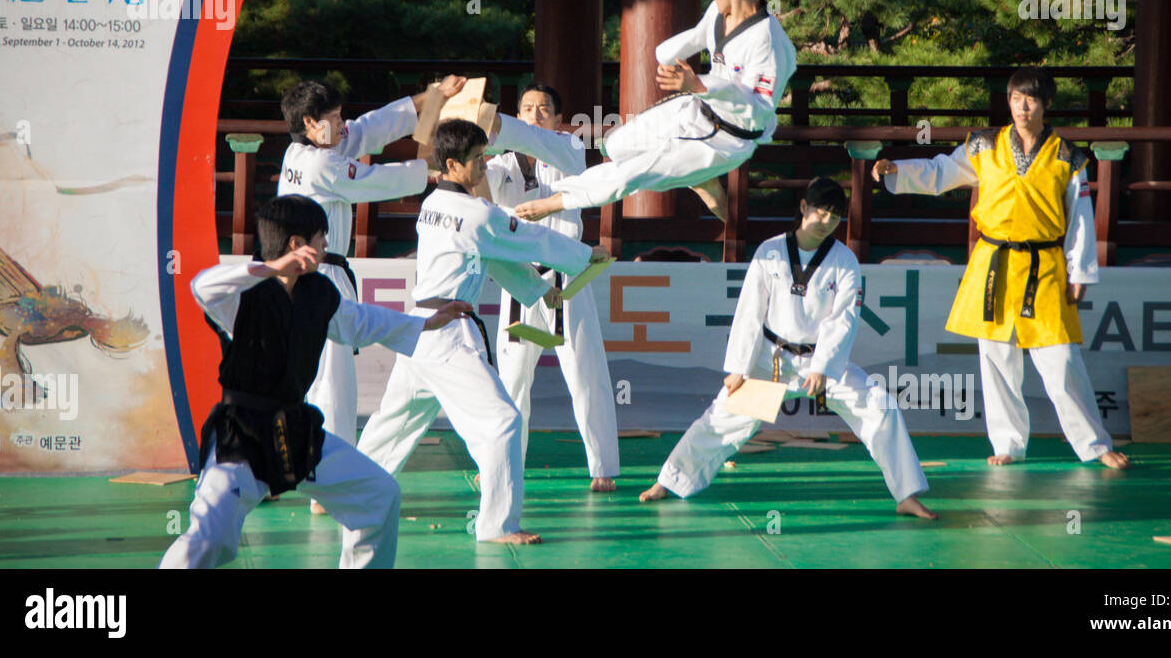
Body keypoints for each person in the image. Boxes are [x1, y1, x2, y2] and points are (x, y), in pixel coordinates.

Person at [159, 195, 471, 569]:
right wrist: (272, 268)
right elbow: (201, 286)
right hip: (240, 436)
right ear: (297, 245)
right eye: (322, 237)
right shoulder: (242, 296)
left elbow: (361, 321)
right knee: (211, 538)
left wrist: (425, 323)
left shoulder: (319, 293)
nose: (326, 246)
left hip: (295, 430)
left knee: (378, 495)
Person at [356, 119, 610, 544]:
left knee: (395, 420)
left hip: (419, 327)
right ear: (453, 164)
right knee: (504, 424)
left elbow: (493, 258)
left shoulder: (434, 204)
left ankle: (350, 489)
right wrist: (586, 254)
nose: (485, 165)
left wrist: (538, 292)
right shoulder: (474, 213)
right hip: (447, 334)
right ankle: (497, 525)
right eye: (477, 160)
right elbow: (531, 240)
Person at [871, 67, 1129, 469]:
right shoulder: (984, 146)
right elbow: (943, 172)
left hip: (1043, 265)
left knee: (1061, 361)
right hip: (993, 264)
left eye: (1030, 99)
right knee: (995, 360)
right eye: (1015, 99)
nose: (1022, 107)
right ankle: (1008, 443)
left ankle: (1094, 445)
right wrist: (898, 172)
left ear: (1045, 104)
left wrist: (1080, 272)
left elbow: (1080, 216)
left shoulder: (1068, 157)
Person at [639, 179, 936, 519]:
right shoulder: (771, 252)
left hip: (819, 363)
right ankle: (671, 480)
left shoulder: (845, 261)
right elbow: (750, 312)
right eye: (821, 212)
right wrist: (739, 367)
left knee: (880, 407)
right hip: (771, 361)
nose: (826, 222)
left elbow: (843, 320)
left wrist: (824, 366)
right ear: (803, 207)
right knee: (722, 420)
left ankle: (906, 495)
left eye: (835, 217)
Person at [278, 75, 464, 516]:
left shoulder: (304, 151)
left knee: (320, 380)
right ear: (310, 123)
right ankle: (327, 480)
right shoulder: (322, 165)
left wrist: (432, 97)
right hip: (316, 279)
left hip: (310, 279)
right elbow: (375, 180)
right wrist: (433, 172)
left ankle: (310, 471)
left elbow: (369, 127)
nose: (343, 125)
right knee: (331, 384)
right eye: (334, 118)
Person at [516, 0, 796, 224]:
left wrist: (698, 85)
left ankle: (557, 199)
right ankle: (699, 178)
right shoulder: (719, 11)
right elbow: (698, 36)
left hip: (725, 140)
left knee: (632, 173)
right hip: (695, 110)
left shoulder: (770, 44)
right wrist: (665, 54)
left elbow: (760, 110)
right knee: (615, 145)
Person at [484, 84, 620, 492]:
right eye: (526, 108)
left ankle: (602, 467)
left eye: (544, 109)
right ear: (516, 114)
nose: (535, 114)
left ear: (559, 120)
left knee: (585, 371)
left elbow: (543, 145)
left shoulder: (568, 150)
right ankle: (502, 464)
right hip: (520, 278)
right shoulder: (498, 163)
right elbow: (477, 192)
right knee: (511, 378)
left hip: (567, 276)